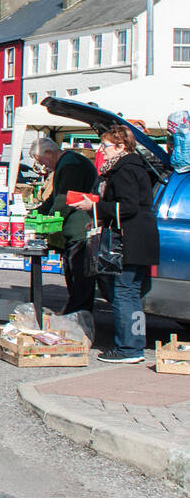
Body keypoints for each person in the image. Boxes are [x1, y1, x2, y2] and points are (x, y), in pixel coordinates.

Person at [69, 126, 158, 363]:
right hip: (140, 236)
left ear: (120, 147)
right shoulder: (132, 166)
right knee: (131, 293)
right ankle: (134, 344)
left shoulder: (125, 169)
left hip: (130, 238)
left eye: (105, 145)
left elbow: (128, 206)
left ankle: (129, 348)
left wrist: (94, 207)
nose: (102, 150)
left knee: (124, 292)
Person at [32, 137, 98, 315]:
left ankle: (77, 314)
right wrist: (36, 212)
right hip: (75, 228)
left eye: (41, 160)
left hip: (80, 228)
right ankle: (74, 312)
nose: (43, 166)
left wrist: (48, 221)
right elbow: (55, 196)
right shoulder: (67, 163)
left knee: (79, 276)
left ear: (49, 153)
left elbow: (63, 199)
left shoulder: (71, 165)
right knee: (74, 273)